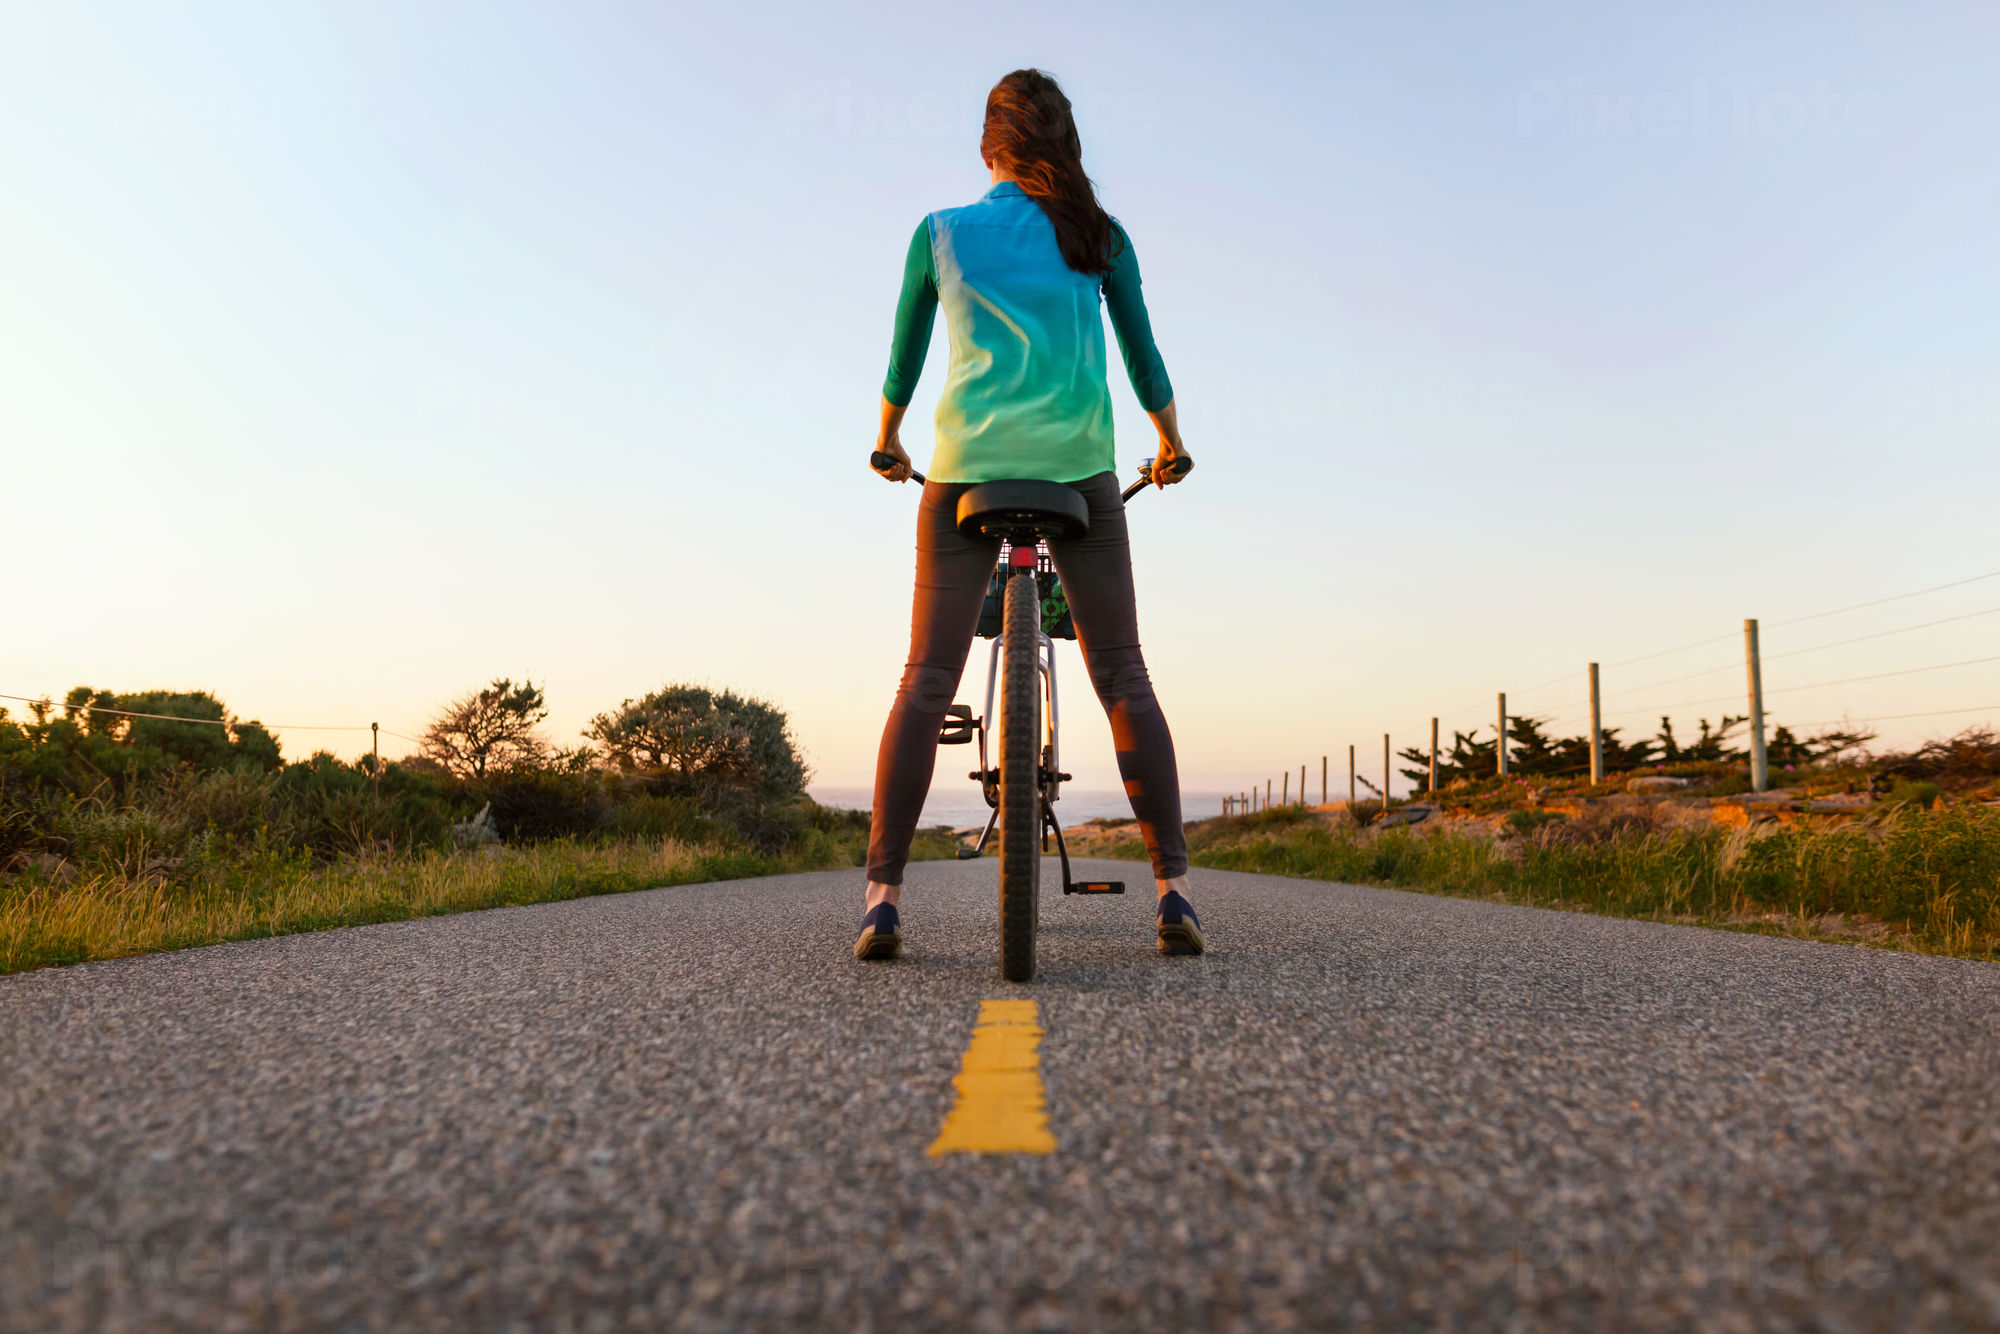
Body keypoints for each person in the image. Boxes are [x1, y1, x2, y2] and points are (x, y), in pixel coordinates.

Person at [855, 68, 1203, 963]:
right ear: (1064, 146)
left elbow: (902, 361)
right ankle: (1172, 892)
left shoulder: (941, 233)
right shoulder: (1100, 237)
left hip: (965, 477)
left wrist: (889, 441)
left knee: (925, 680)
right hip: (1079, 476)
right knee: (1121, 671)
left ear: (988, 147)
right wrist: (1169, 444)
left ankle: (883, 901)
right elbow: (1144, 357)